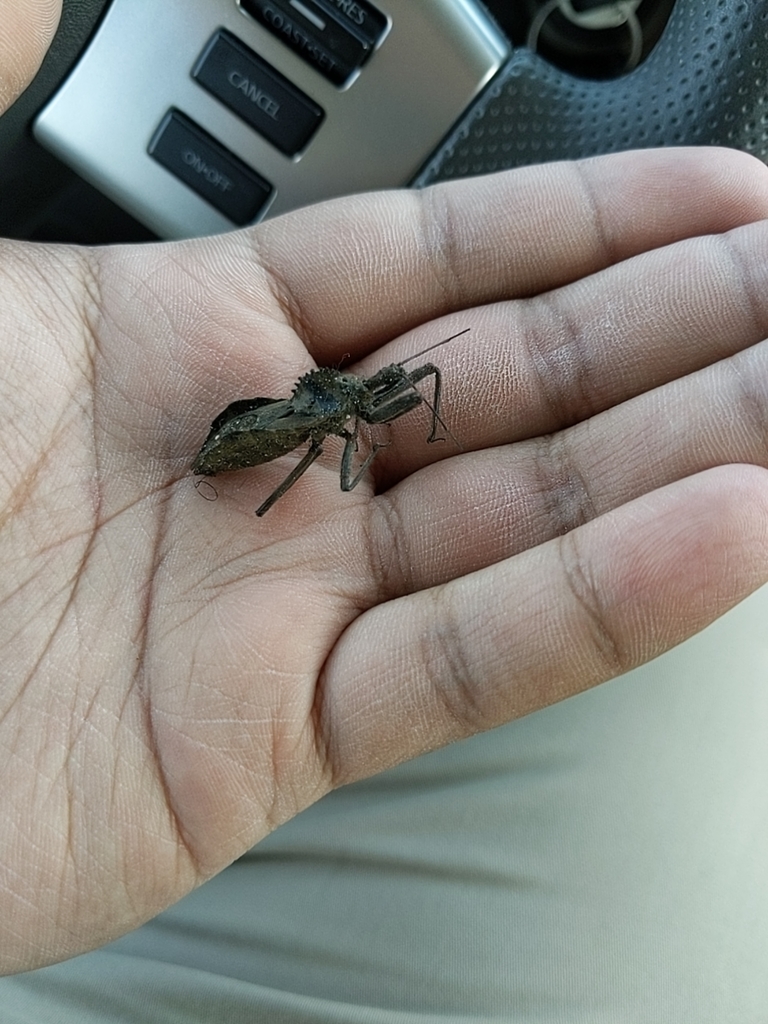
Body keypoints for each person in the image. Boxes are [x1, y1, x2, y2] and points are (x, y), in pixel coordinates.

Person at [3, 3, 768, 1019]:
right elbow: (326, 451)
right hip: (260, 438)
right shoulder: (336, 425)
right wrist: (343, 449)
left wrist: (388, 423)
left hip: (285, 424)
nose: (391, 402)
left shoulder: (354, 408)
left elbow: (377, 407)